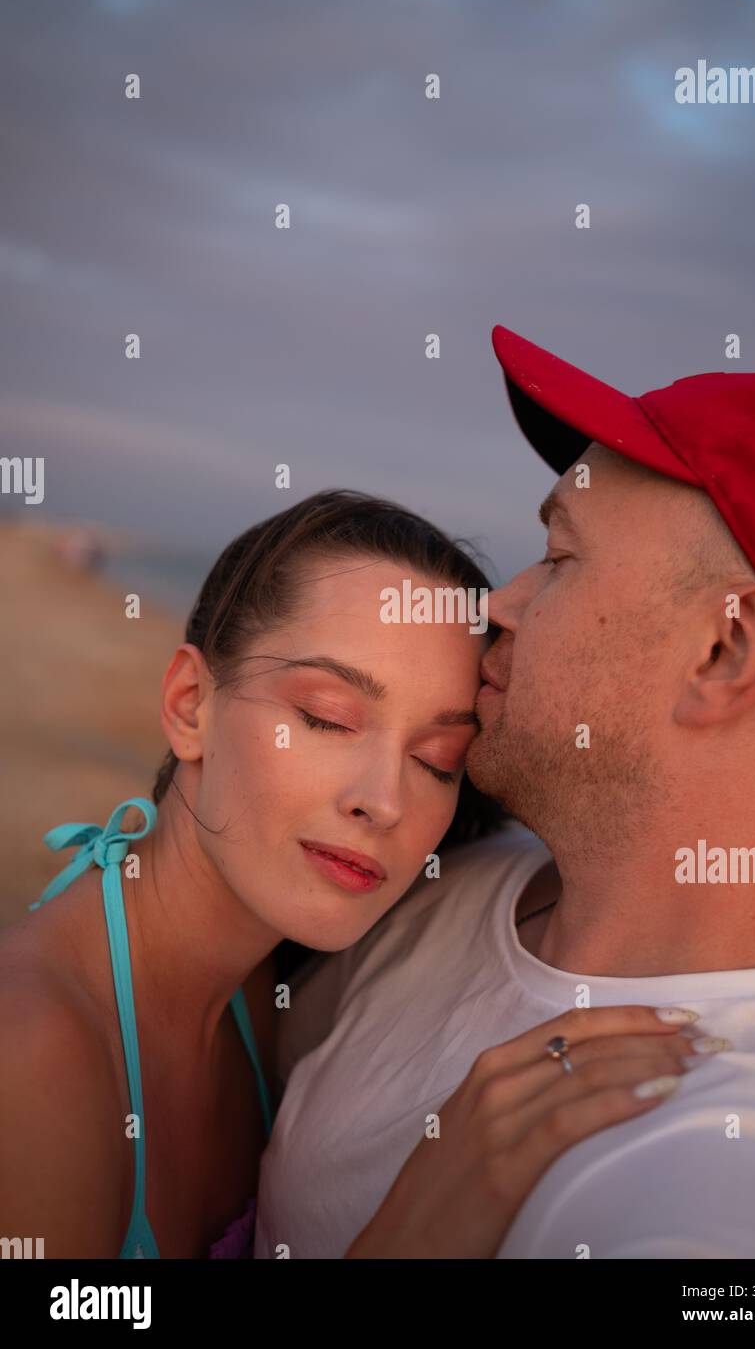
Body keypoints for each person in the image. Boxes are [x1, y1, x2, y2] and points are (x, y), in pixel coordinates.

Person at [255, 326, 755, 1260]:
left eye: (561, 556)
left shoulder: (750, 1166)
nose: (496, 603)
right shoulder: (438, 880)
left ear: (725, 649)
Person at [0, 490, 709, 1259]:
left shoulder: (255, 986)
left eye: (435, 760)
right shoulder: (31, 1059)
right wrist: (416, 1229)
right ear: (189, 704)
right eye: (328, 718)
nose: (382, 802)